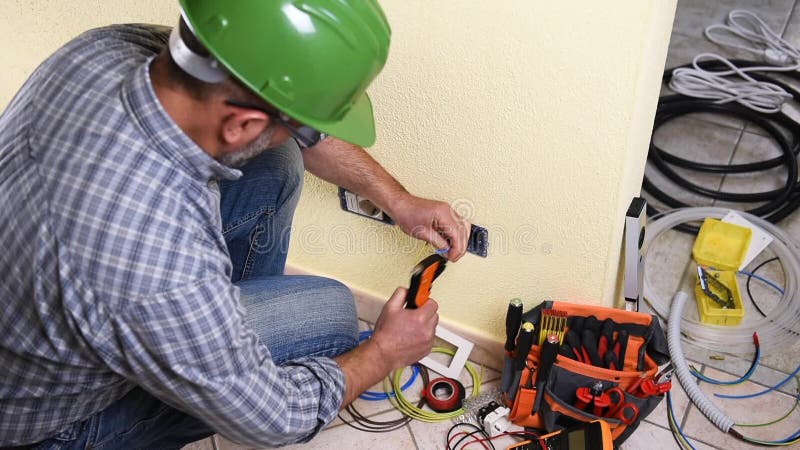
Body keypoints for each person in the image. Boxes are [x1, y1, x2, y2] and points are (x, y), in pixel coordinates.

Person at [0, 1, 469, 448]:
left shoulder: (105, 52)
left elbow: (267, 111)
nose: (306, 135)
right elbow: (276, 417)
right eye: (301, 126)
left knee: (277, 161)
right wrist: (386, 350)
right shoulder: (156, 264)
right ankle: (219, 361)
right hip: (50, 425)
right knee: (331, 315)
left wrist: (398, 201)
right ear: (240, 125)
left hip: (39, 308)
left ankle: (218, 342)